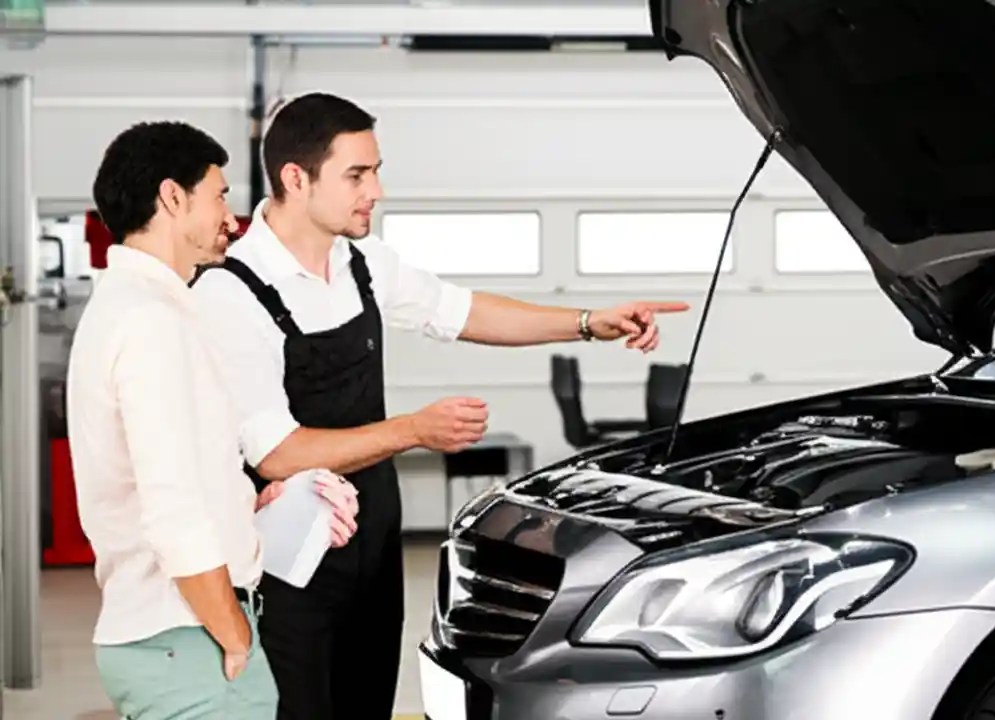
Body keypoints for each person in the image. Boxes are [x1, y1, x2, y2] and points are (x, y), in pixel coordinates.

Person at [189, 91, 689, 719]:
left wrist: (590, 322)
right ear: (296, 178)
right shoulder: (232, 291)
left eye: (375, 170)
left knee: (367, 702)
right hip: (288, 562)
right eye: (356, 175)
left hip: (373, 540)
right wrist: (413, 430)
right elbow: (277, 452)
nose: (376, 190)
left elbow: (466, 311)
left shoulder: (362, 263)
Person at [66, 120, 358, 719]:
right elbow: (171, 508)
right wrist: (234, 635)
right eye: (219, 195)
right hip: (188, 639)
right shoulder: (153, 321)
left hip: (169, 636)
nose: (232, 217)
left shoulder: (133, 307)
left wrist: (245, 508)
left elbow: (165, 474)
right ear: (174, 197)